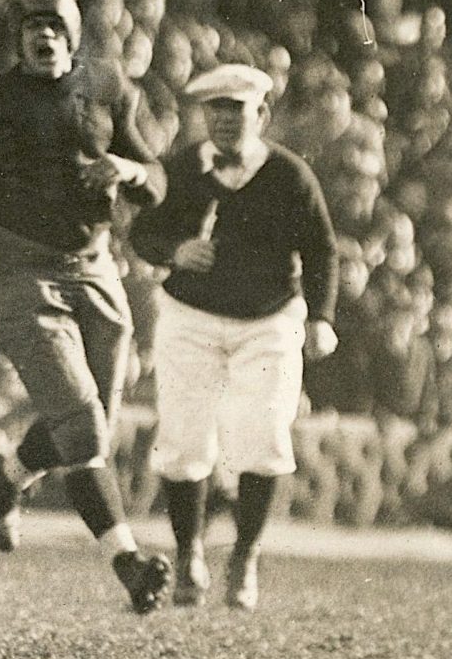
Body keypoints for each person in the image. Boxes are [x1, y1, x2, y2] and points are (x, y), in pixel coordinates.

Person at [0, 0, 174, 613]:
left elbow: (157, 177)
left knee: (95, 412)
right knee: (81, 422)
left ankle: (9, 476)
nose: (43, 37)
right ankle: (127, 561)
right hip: (17, 272)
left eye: (53, 26)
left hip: (95, 269)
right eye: (30, 27)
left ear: (72, 32)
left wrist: (129, 169)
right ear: (15, 37)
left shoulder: (106, 87)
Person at [127, 63, 337, 611]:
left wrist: (321, 317)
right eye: (215, 108)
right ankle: (189, 554)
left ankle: (244, 556)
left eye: (236, 109)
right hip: (190, 317)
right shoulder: (180, 168)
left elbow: (321, 249)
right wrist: (174, 251)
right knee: (183, 440)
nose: (224, 119)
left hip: (268, 320)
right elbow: (141, 230)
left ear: (261, 115)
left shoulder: (290, 175)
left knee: (264, 435)